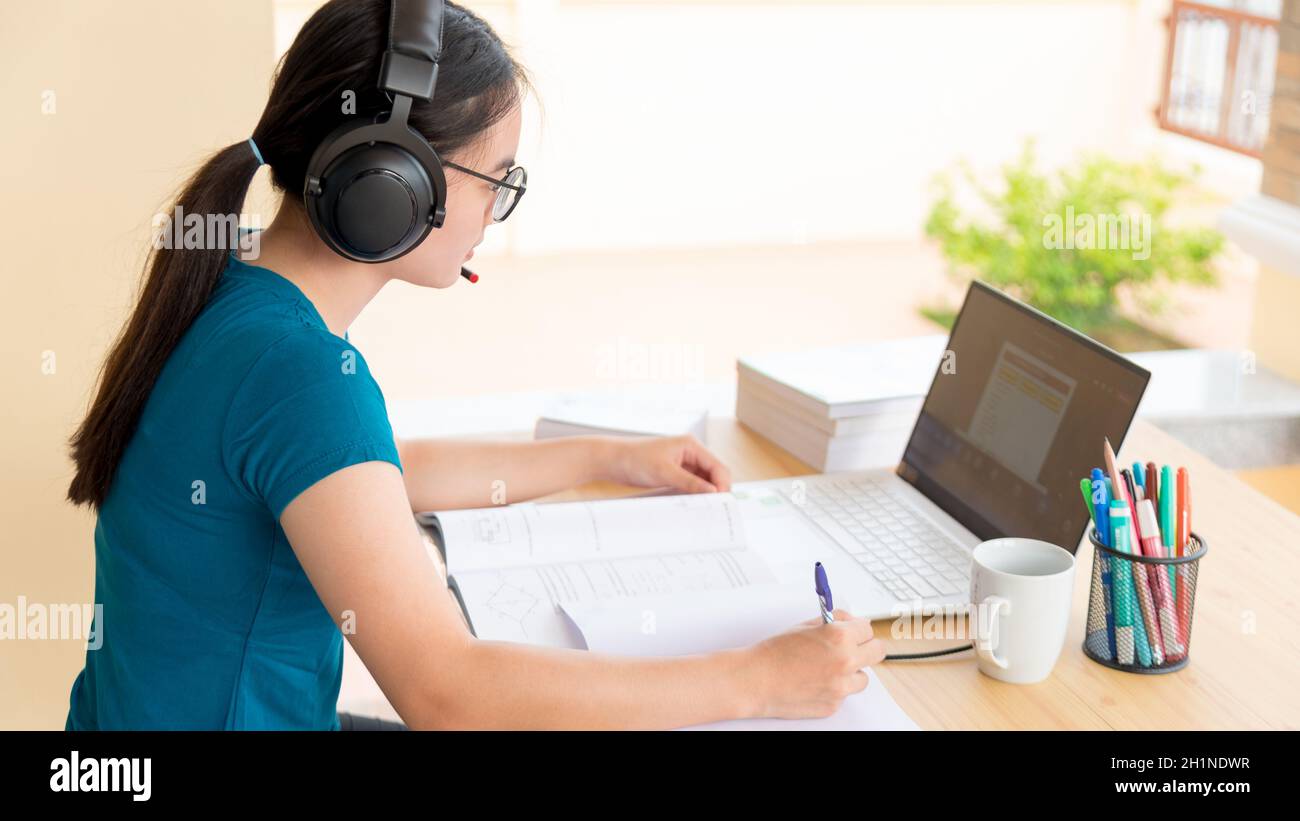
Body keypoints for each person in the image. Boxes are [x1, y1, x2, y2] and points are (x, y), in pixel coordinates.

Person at [63, 0, 886, 731]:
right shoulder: (295, 371)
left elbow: (369, 476)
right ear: (386, 180)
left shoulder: (238, 286)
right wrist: (754, 679)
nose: (497, 207)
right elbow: (449, 696)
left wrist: (603, 456)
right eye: (494, 179)